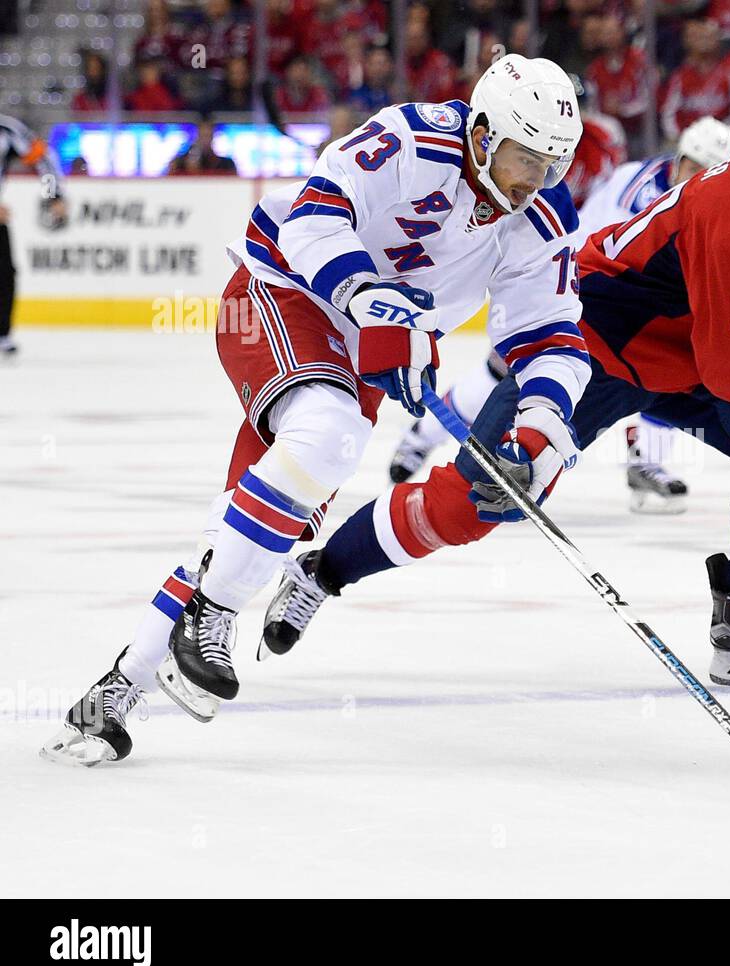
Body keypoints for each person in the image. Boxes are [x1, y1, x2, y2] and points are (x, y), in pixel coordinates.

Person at [260, 88, 730, 693]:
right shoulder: (727, 210)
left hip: (685, 362)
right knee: (479, 500)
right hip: (595, 348)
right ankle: (324, 568)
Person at [41, 55, 587, 766]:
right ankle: (212, 615)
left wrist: (539, 433)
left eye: (551, 165)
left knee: (247, 528)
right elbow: (314, 215)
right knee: (326, 435)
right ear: (482, 133)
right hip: (280, 291)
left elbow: (550, 337)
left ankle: (114, 693)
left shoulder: (540, 215)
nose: (532, 182)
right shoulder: (411, 140)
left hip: (355, 350)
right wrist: (368, 297)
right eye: (523, 158)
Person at [386, 117, 730, 517]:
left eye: (710, 172)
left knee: (664, 362)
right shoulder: (639, 187)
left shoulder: (707, 206)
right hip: (569, 283)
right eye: (693, 167)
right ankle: (422, 436)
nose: (697, 178)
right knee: (504, 374)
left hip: (618, 303)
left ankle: (644, 458)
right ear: (678, 160)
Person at [0, 114, 67, 359]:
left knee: (5, 274)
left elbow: (43, 159)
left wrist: (54, 195)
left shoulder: (6, 130)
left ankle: (2, 334)